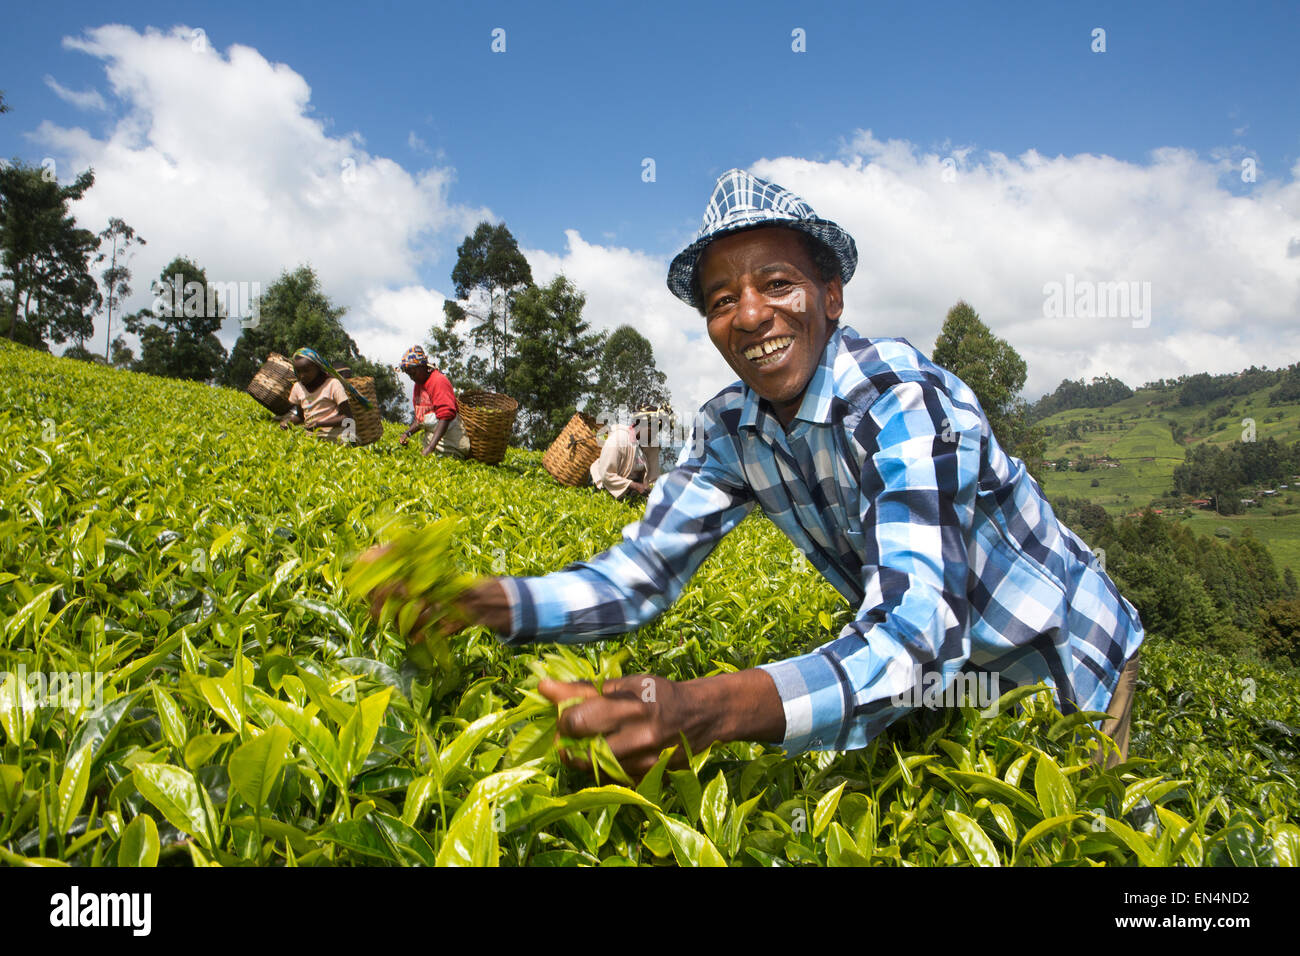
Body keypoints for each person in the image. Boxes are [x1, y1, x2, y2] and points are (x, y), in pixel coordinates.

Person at [377, 168, 1145, 777]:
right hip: (948, 679)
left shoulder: (905, 404)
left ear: (831, 297)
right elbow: (638, 578)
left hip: (1062, 656)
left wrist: (705, 711)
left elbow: (917, 634)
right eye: (721, 299)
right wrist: (483, 604)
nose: (749, 316)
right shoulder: (729, 429)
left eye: (777, 283)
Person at [279, 347, 371, 441]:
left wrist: (320, 424)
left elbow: (347, 417)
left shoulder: (332, 384)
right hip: (312, 435)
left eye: (307, 371)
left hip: (336, 434)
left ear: (318, 368)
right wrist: (287, 423)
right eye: (298, 371)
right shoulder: (298, 387)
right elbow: (300, 416)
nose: (302, 375)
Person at [397, 345, 471, 458]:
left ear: (422, 366)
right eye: (409, 374)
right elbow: (421, 418)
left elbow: (446, 415)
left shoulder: (438, 381)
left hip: (450, 445)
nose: (411, 377)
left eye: (413, 373)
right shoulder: (418, 385)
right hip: (433, 447)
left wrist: (430, 448)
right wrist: (407, 433)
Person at [590, 408, 662, 499]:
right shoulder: (618, 439)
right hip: (606, 485)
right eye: (651, 431)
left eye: (656, 432)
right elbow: (606, 475)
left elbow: (652, 478)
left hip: (629, 488)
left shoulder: (648, 445)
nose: (653, 436)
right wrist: (635, 486)